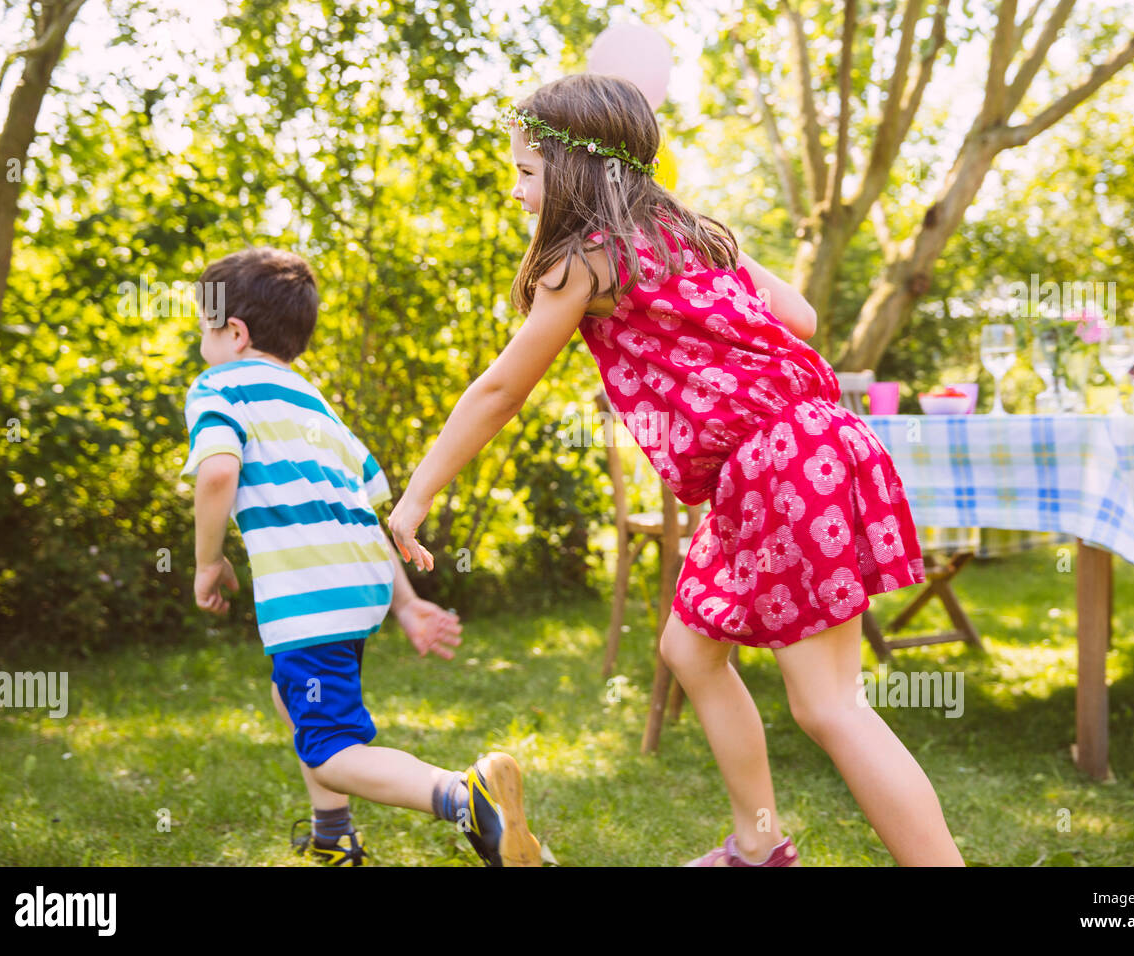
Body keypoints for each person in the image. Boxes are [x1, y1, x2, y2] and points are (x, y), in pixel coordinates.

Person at [387, 72, 964, 867]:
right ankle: (757, 845)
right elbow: (799, 318)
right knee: (690, 650)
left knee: (832, 706)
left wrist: (416, 496)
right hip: (812, 445)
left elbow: (499, 390)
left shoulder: (586, 262)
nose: (516, 191)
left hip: (779, 466)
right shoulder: (696, 234)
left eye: (526, 170)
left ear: (574, 171)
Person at [181, 246, 542, 867]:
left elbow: (216, 475)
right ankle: (333, 835)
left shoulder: (219, 386)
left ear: (233, 333)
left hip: (312, 600)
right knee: (287, 695)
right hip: (357, 589)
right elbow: (361, 511)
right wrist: (406, 604)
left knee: (330, 747)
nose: (202, 346)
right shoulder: (316, 406)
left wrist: (206, 563)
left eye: (204, 330)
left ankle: (465, 798)